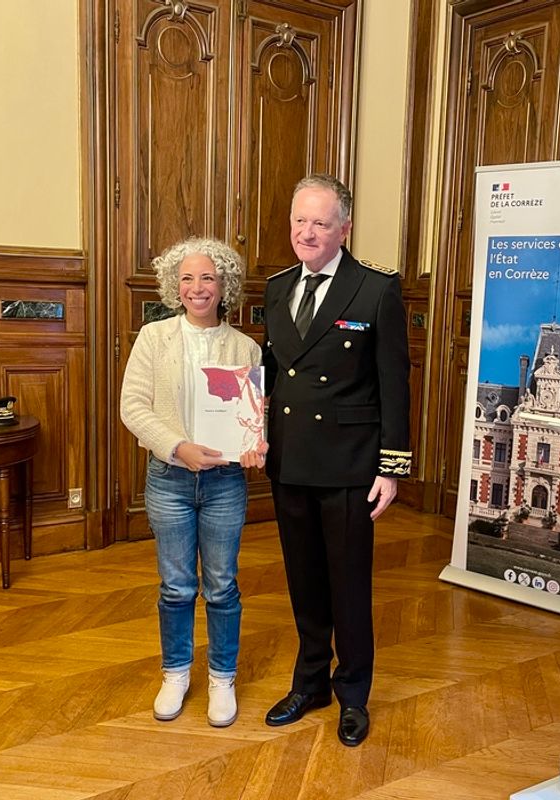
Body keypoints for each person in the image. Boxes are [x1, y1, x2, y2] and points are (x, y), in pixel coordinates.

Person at [261, 174, 412, 747]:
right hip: (292, 460)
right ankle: (310, 683)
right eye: (299, 220)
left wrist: (391, 468)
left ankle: (352, 693)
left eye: (320, 222)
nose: (306, 232)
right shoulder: (277, 289)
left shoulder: (375, 290)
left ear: (344, 229)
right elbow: (272, 375)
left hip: (351, 465)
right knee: (304, 582)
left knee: (349, 585)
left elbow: (393, 385)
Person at [120, 237, 266, 728]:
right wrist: (177, 447)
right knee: (177, 586)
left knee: (223, 586)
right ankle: (176, 672)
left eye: (207, 277)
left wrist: (254, 442)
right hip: (169, 479)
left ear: (223, 284)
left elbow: (253, 417)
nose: (197, 287)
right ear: (174, 286)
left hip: (225, 482)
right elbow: (132, 407)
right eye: (187, 278)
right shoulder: (153, 337)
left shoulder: (245, 347)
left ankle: (222, 676)